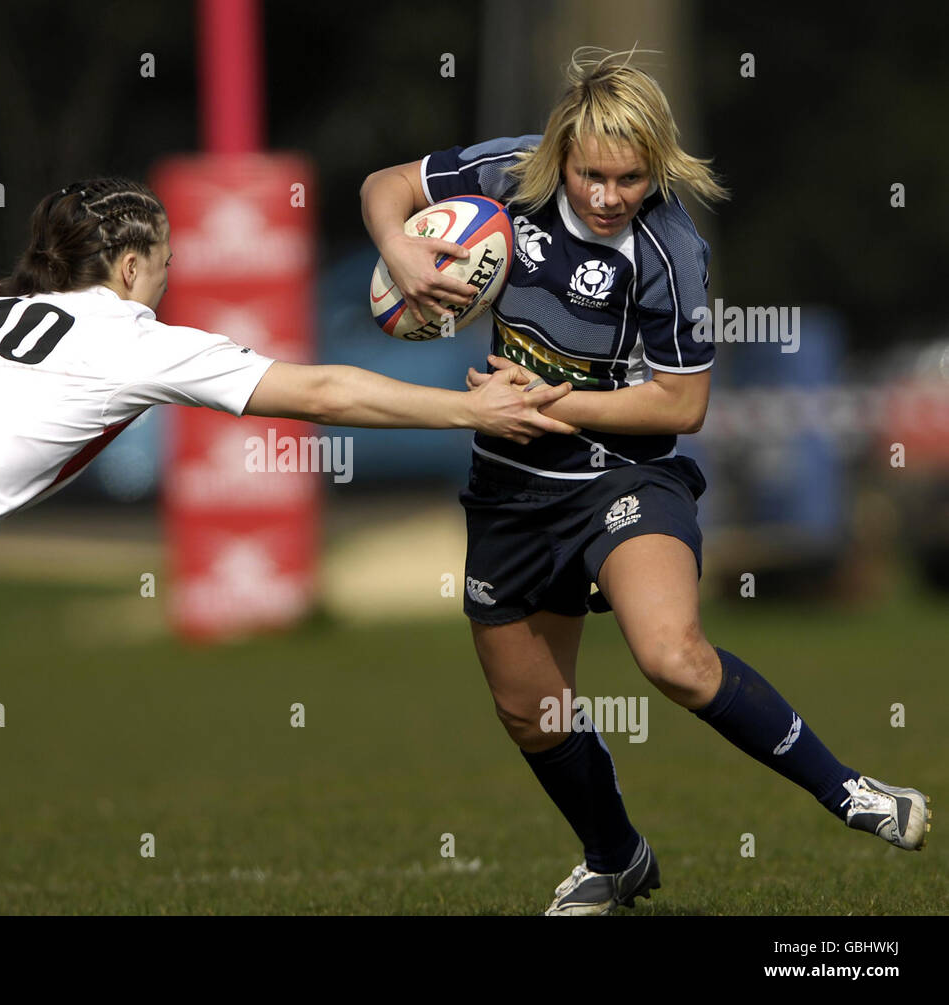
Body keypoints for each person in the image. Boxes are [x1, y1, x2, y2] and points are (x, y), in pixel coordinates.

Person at [0, 175, 578, 916]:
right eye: (164, 262)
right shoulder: (135, 338)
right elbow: (325, 393)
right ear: (131, 264)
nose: (166, 280)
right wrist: (469, 407)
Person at [359, 48, 929, 915]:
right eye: (591, 174)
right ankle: (615, 855)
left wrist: (561, 403)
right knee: (532, 713)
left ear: (656, 166)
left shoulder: (672, 252)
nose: (606, 194)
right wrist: (400, 249)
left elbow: (684, 403)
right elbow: (386, 182)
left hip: (624, 477)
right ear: (562, 153)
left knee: (673, 656)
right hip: (510, 483)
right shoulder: (511, 172)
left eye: (628, 177)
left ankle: (849, 790)